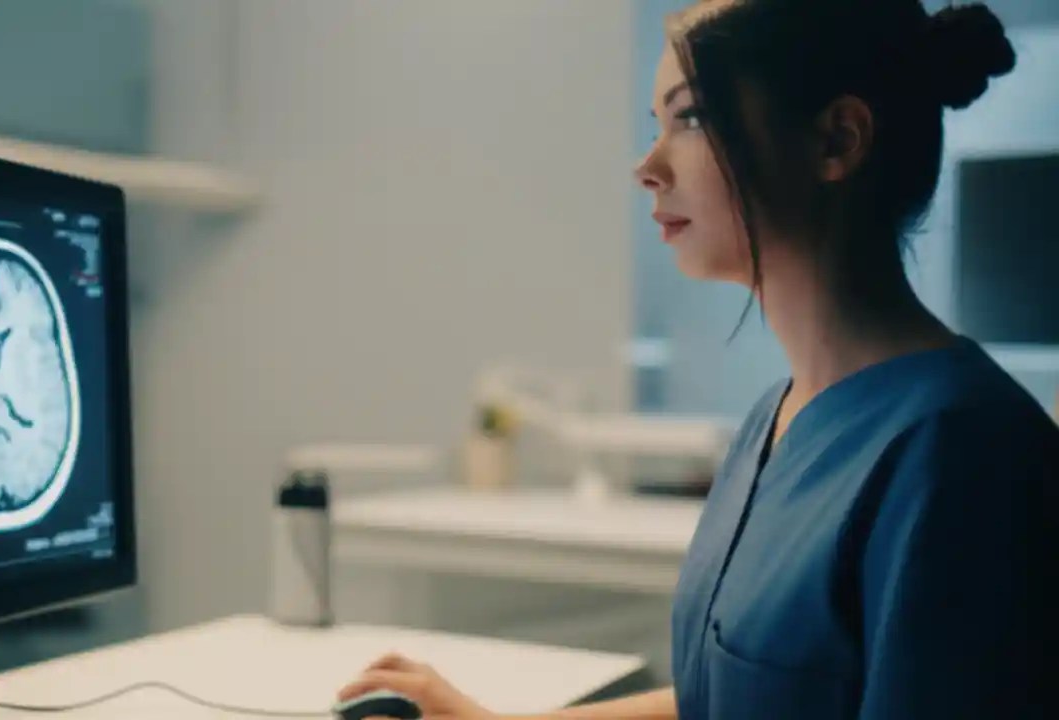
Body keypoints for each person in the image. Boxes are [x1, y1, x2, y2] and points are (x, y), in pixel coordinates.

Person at [336, 1, 1059, 718]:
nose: (647, 167)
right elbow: (738, 697)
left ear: (837, 140)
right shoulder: (772, 422)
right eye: (657, 124)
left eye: (690, 117)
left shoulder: (966, 458)